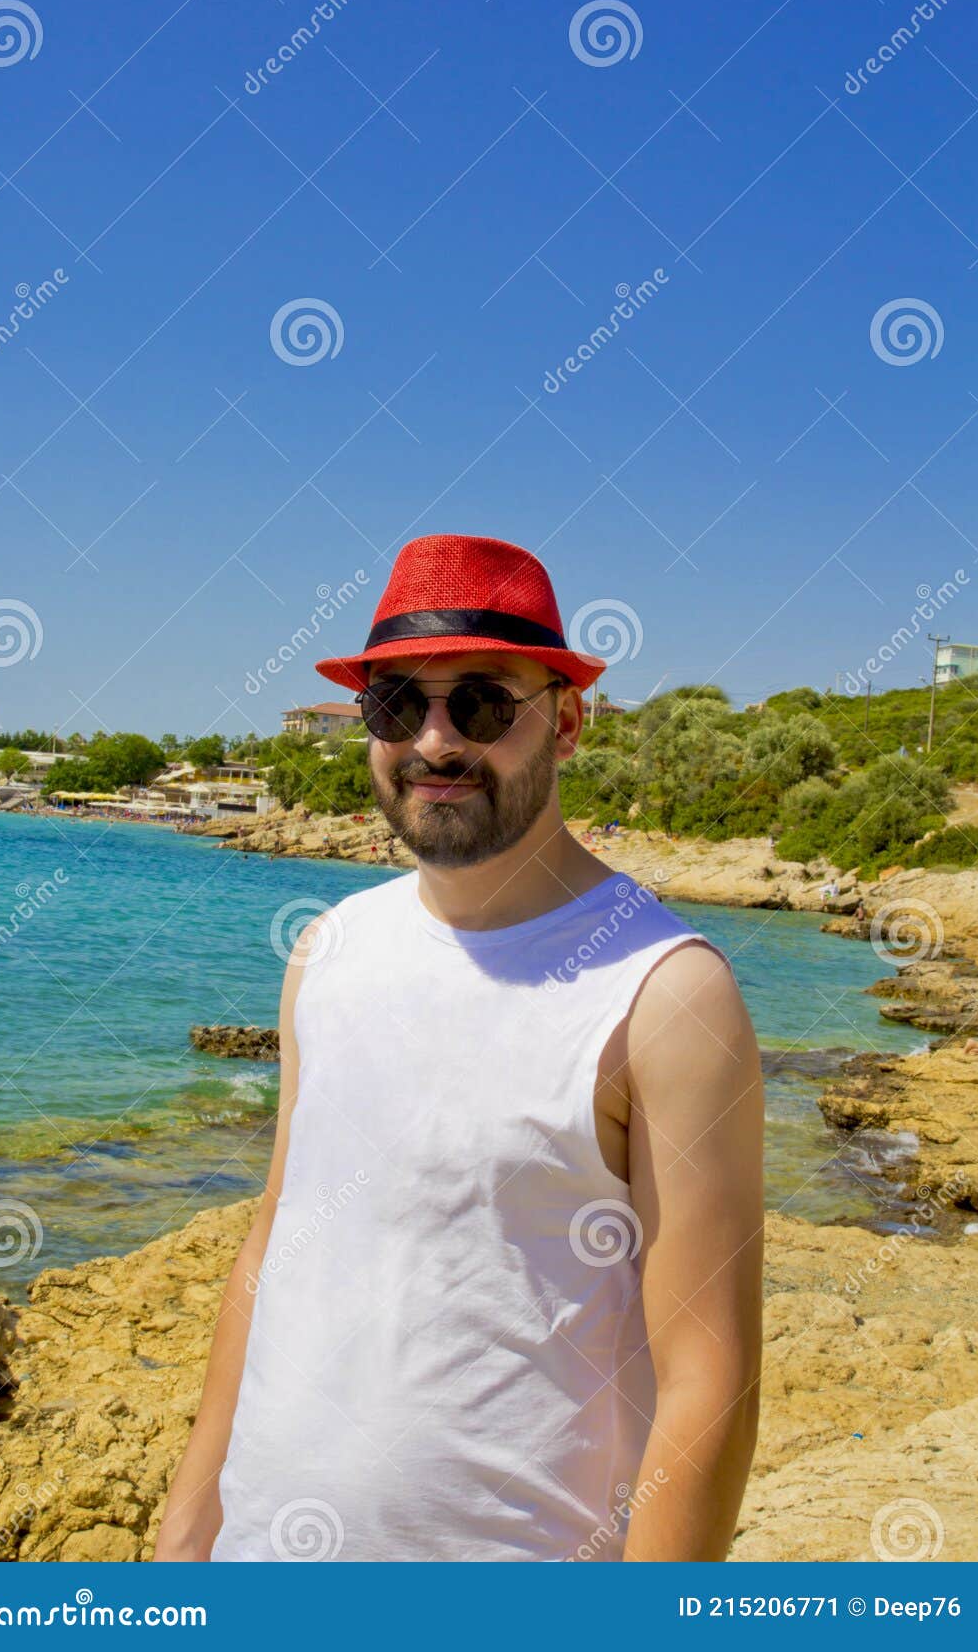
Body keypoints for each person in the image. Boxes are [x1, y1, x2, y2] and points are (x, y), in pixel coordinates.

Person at [156, 532, 764, 1564]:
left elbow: (709, 1381)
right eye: (397, 705)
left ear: (564, 723)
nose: (434, 741)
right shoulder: (326, 951)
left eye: (481, 703)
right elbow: (274, 1246)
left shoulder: (665, 991)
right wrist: (188, 1525)